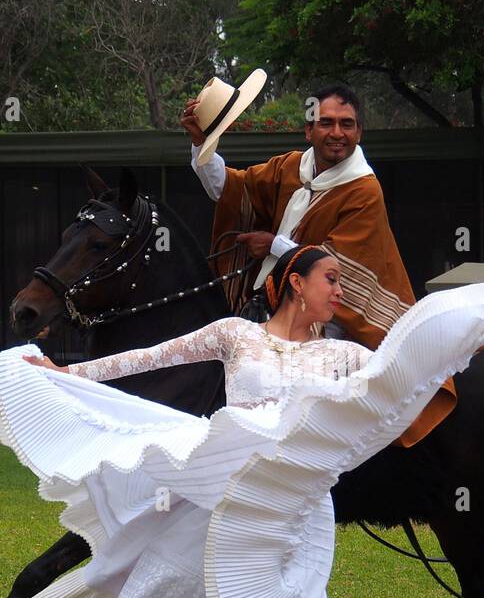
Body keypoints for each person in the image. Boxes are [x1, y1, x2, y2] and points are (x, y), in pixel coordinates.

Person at [0, 245, 484, 598]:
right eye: (330, 280)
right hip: (231, 489)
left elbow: (404, 376)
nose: (339, 292)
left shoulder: (344, 355)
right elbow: (151, 358)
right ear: (294, 283)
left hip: (301, 502)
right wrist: (68, 373)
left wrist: (470, 341)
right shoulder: (236, 334)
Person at [181, 79, 456, 449]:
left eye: (347, 123)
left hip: (335, 310)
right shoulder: (290, 167)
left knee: (309, 378)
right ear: (309, 130)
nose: (337, 133)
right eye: (326, 123)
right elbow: (229, 190)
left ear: (359, 131)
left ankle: (318, 456)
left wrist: (272, 244)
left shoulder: (363, 189)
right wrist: (202, 143)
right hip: (276, 300)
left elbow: (336, 267)